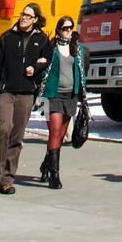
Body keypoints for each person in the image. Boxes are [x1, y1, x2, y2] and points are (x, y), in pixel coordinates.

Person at [0, 3, 51, 197]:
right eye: (23, 14)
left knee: (17, 135)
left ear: (35, 19)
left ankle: (8, 179)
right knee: (3, 129)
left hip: (26, 93)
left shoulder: (42, 40)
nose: (23, 18)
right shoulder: (6, 38)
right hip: (6, 91)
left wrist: (35, 69)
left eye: (28, 16)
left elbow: (47, 61)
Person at [39, 15, 87, 190]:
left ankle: (46, 164)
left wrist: (83, 96)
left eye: (70, 28)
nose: (68, 31)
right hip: (50, 96)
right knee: (54, 131)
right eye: (65, 28)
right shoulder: (51, 47)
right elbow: (41, 67)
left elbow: (82, 73)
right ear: (58, 29)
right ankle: (55, 175)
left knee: (61, 134)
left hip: (70, 96)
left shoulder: (77, 49)